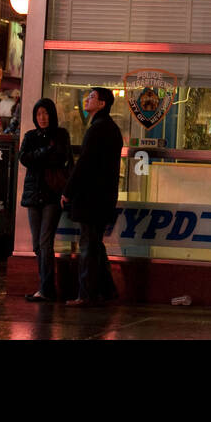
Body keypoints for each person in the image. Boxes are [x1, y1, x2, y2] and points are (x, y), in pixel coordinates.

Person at [61, 87, 123, 307]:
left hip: (92, 199)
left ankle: (86, 295)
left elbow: (84, 164)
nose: (88, 99)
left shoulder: (98, 129)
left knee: (88, 246)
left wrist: (68, 191)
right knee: (95, 245)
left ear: (103, 104)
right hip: (103, 198)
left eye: (92, 97)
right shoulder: (110, 128)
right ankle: (107, 290)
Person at [19, 98, 74, 302]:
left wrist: (39, 157)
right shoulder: (30, 136)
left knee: (45, 242)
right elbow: (24, 158)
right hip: (34, 195)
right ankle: (45, 286)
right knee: (37, 244)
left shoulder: (60, 135)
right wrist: (44, 152)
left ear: (52, 114)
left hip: (52, 194)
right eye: (39, 114)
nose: (42, 117)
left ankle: (47, 288)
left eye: (46, 113)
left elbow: (60, 159)